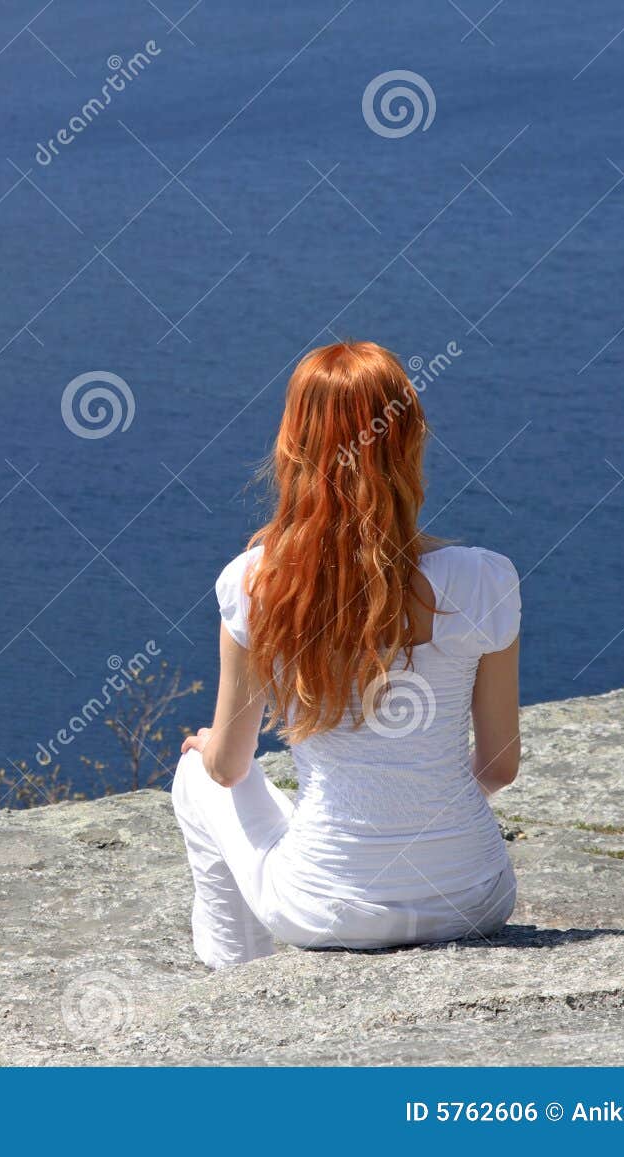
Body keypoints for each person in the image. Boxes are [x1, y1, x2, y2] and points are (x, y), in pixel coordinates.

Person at [175, 340, 521, 968]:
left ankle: (237, 986)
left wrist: (207, 748)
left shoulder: (255, 584)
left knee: (196, 775)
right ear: (409, 441)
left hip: (325, 908)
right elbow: (499, 766)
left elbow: (229, 768)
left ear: (293, 447)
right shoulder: (485, 580)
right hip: (474, 897)